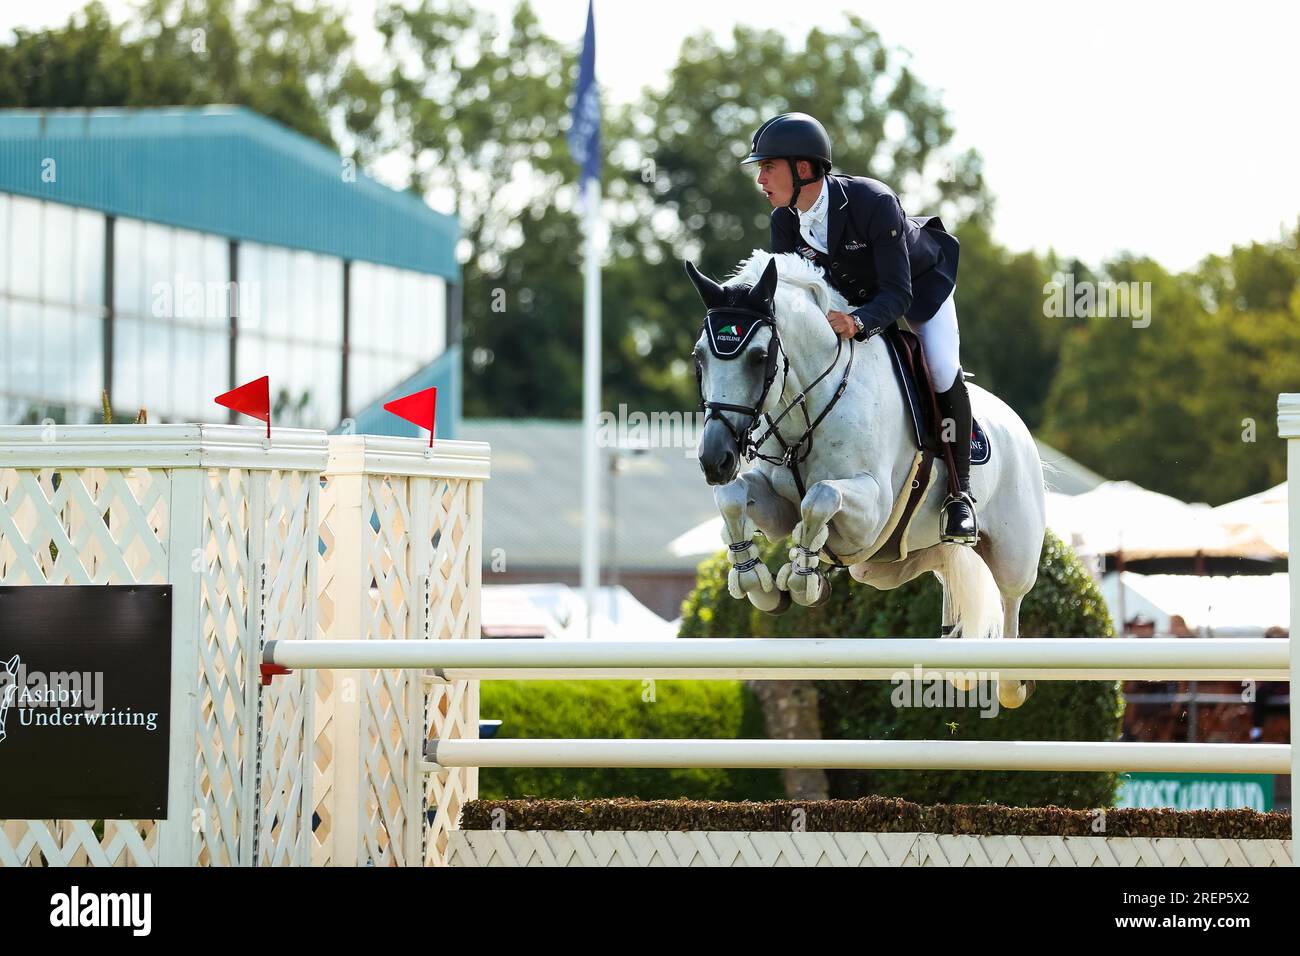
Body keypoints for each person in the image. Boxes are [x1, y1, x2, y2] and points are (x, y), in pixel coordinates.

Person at [740, 111, 976, 544]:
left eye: (768, 167)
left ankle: (960, 496)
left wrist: (859, 321)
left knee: (941, 368)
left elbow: (897, 294)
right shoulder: (784, 222)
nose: (761, 180)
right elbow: (793, 300)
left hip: (917, 287)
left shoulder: (873, 202)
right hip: (848, 300)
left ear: (804, 169)